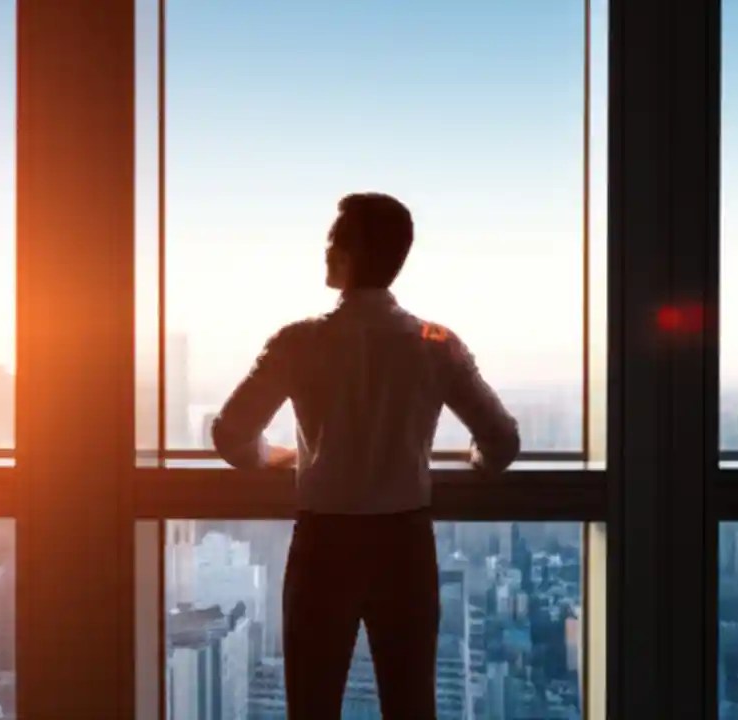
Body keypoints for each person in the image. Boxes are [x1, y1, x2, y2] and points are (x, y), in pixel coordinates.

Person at [211, 192, 520, 719]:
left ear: (351, 254)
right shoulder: (436, 344)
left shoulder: (297, 342)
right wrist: (478, 462)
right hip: (404, 544)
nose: (325, 249)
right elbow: (502, 442)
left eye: (334, 239)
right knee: (410, 704)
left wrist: (274, 457)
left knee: (311, 706)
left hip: (323, 545)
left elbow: (229, 434)